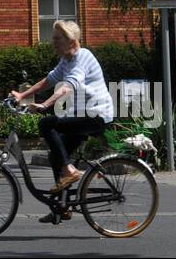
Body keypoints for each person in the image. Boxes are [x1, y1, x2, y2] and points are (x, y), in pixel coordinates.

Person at [11, 19, 113, 220]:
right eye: (53, 38)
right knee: (56, 155)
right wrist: (23, 96)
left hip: (95, 114)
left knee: (46, 123)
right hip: (81, 114)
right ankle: (62, 206)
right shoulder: (66, 60)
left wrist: (44, 105)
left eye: (58, 39)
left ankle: (70, 170)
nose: (53, 43)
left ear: (71, 41)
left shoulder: (82, 57)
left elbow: (68, 86)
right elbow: (48, 81)